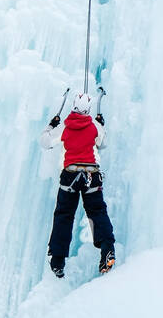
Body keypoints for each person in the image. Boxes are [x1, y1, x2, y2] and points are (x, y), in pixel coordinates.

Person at [40, 92, 115, 278]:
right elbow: (102, 144)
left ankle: (57, 260)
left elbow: (46, 142)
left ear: (73, 106)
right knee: (97, 212)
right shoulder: (94, 126)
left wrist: (51, 125)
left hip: (70, 176)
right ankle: (107, 248)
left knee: (64, 215)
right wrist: (101, 124)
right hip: (91, 175)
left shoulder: (65, 125)